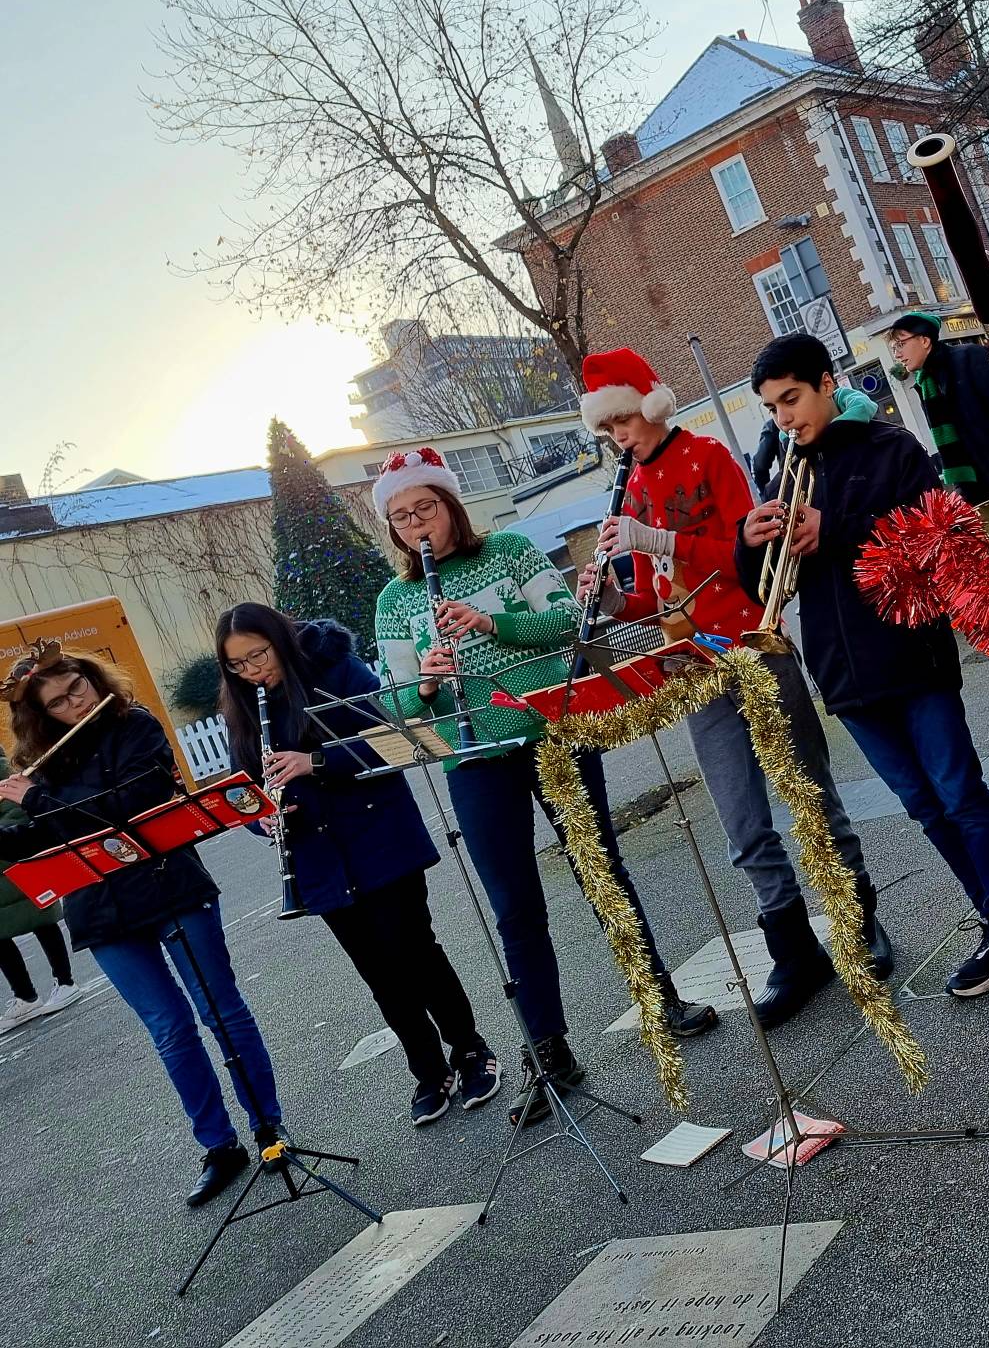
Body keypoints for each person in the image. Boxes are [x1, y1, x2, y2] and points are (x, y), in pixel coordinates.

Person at [371, 447, 714, 1127]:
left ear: (449, 507)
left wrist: (488, 624)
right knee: (514, 907)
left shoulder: (509, 551)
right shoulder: (396, 599)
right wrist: (429, 681)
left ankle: (661, 999)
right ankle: (549, 1050)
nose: (417, 524)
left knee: (599, 872)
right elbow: (397, 703)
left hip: (551, 730)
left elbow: (567, 620)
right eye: (402, 516)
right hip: (473, 755)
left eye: (426, 508)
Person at [736, 333, 989, 1024]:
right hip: (842, 675)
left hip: (912, 657)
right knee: (925, 808)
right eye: (770, 408)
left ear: (825, 382)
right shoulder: (782, 469)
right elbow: (762, 585)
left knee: (962, 797)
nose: (783, 417)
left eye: (790, 399)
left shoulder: (891, 449)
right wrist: (749, 540)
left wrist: (839, 527)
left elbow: (933, 540)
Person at [573, 345, 890, 1029]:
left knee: (807, 792)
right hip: (688, 664)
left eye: (622, 422)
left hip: (750, 641)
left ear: (648, 406)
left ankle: (858, 921)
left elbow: (752, 556)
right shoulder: (628, 489)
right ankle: (793, 948)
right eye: (607, 431)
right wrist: (606, 600)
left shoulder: (709, 456)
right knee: (741, 823)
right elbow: (650, 602)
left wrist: (657, 539)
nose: (617, 438)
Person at [0, 643, 284, 1207]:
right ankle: (218, 1146)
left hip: (169, 885)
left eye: (76, 688)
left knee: (221, 1012)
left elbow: (131, 804)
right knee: (170, 1030)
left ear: (90, 676)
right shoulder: (44, 762)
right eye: (56, 703)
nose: (73, 705)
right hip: (101, 911)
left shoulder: (137, 726)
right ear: (41, 714)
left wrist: (38, 800)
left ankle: (268, 1129)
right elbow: (41, 838)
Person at [216, 602, 503, 1128]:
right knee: (378, 972)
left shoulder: (334, 669)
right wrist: (266, 821)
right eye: (238, 665)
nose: (253, 670)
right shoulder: (242, 711)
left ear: (281, 638)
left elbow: (397, 742)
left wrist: (316, 761)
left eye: (259, 654)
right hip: (316, 856)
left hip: (378, 834)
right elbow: (247, 794)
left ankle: (469, 1049)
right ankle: (427, 1068)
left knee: (415, 950)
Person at [887, 311, 989, 505]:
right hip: (980, 495)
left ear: (925, 340)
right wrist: (961, 491)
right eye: (893, 348)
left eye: (901, 345)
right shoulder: (926, 384)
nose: (897, 355)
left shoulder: (970, 357)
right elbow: (952, 447)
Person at [0, 796, 79, 1030]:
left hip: (13, 854)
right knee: (1, 932)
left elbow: (18, 809)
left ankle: (65, 982)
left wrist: (6, 835)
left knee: (40, 918)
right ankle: (25, 997)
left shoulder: (4, 768)